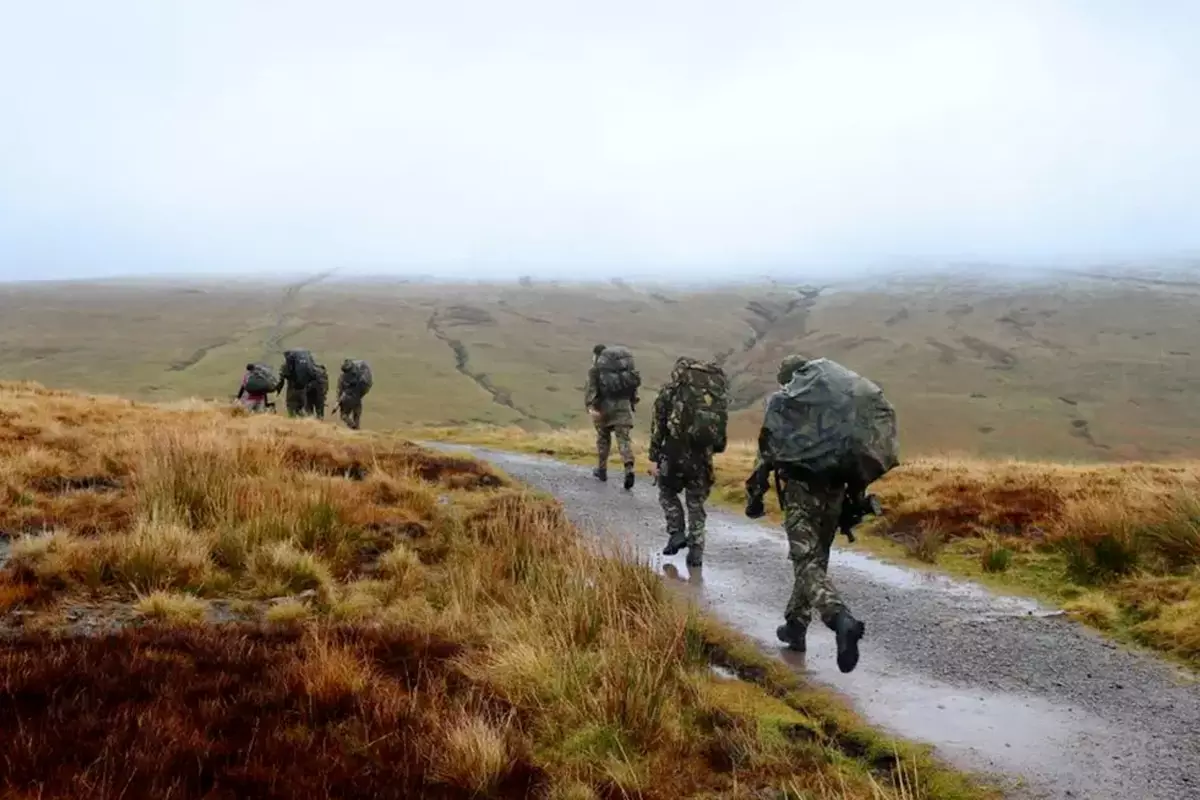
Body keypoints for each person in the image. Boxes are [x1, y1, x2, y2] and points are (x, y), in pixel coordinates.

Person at [745, 354, 867, 673]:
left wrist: (755, 495)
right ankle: (796, 627)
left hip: (802, 491)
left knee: (806, 562)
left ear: (788, 379)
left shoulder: (786, 404)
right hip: (837, 491)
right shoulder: (837, 404)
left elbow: (766, 454)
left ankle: (840, 618)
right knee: (817, 557)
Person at [649, 357, 729, 568]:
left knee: (666, 492)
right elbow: (720, 436)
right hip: (703, 457)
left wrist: (654, 457)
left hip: (674, 453)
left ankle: (676, 532)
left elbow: (658, 427)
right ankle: (696, 551)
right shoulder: (713, 396)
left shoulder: (669, 392)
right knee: (696, 502)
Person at [586, 344, 639, 490]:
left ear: (597, 355)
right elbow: (633, 392)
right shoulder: (624, 371)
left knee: (603, 439)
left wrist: (590, 407)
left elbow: (591, 390)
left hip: (604, 409)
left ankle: (602, 470)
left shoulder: (595, 370)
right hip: (624, 407)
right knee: (624, 440)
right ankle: (628, 467)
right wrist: (632, 405)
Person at [274, 349, 315, 418]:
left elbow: (281, 380)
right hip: (303, 392)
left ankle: (293, 426)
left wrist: (278, 390)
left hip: (292, 391)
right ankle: (307, 423)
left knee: (291, 411)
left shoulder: (286, 366)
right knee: (301, 410)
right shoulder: (302, 366)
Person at [336, 359, 373, 430]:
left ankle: (354, 427)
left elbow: (340, 390)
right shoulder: (360, 375)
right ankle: (356, 428)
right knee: (356, 417)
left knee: (344, 415)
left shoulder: (344, 378)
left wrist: (338, 401)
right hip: (357, 398)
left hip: (350, 398)